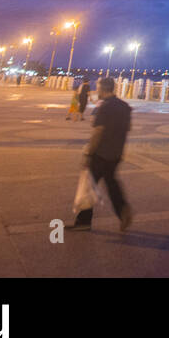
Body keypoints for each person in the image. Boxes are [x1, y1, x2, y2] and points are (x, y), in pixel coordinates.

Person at [71, 77, 133, 231]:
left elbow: (98, 132)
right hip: (116, 153)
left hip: (101, 153)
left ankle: (83, 222)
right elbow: (128, 128)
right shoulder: (124, 106)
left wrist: (88, 153)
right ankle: (123, 210)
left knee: (89, 186)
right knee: (111, 183)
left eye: (97, 87)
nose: (96, 90)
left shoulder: (104, 107)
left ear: (103, 89)